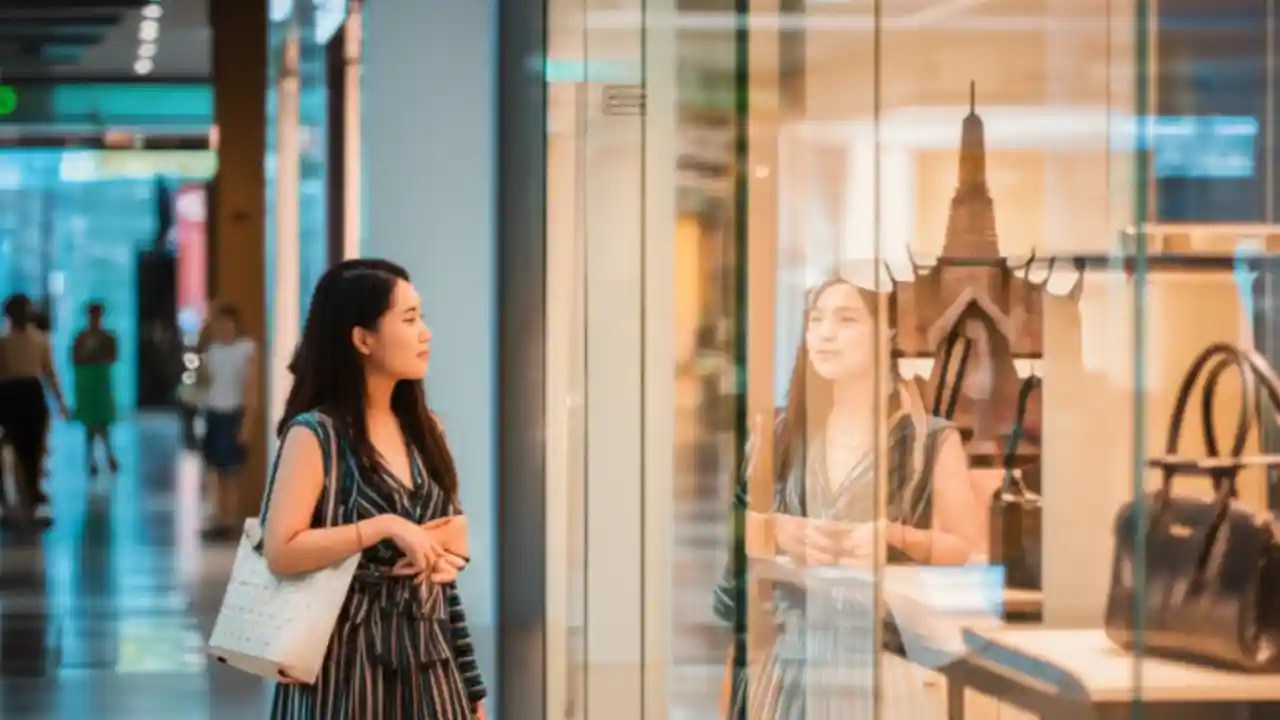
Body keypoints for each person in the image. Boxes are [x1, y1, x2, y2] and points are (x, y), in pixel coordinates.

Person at [714, 276, 982, 719]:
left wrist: (895, 539)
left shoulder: (929, 441)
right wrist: (780, 532)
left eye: (846, 319)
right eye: (816, 320)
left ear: (887, 333)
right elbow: (733, 564)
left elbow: (970, 556)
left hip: (886, 667)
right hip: (787, 669)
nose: (825, 333)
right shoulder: (779, 435)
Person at [261, 258, 486, 719]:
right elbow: (280, 549)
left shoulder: (427, 432)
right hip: (342, 671)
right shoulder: (316, 434)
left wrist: (471, 689)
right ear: (362, 339)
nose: (426, 332)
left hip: (430, 667)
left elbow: (444, 587)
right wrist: (383, 527)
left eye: (421, 316)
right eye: (409, 319)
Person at [0, 294, 69, 525]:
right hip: (12, 393)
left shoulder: (39, 339)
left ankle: (30, 496)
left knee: (34, 447)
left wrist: (60, 402)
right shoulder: (5, 341)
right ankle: (20, 498)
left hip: (29, 392)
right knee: (17, 448)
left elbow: (49, 372)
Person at [200, 304, 258, 540]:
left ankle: (230, 520)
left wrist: (247, 423)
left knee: (231, 472)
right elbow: (205, 383)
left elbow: (251, 387)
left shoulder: (246, 349)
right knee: (213, 469)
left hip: (233, 414)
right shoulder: (212, 351)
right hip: (213, 412)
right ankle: (217, 516)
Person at [72, 302, 120, 477]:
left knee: (102, 422)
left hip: (100, 383)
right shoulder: (81, 338)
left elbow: (113, 356)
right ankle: (94, 458)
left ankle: (106, 456)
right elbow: (76, 358)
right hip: (89, 384)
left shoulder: (105, 337)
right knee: (91, 425)